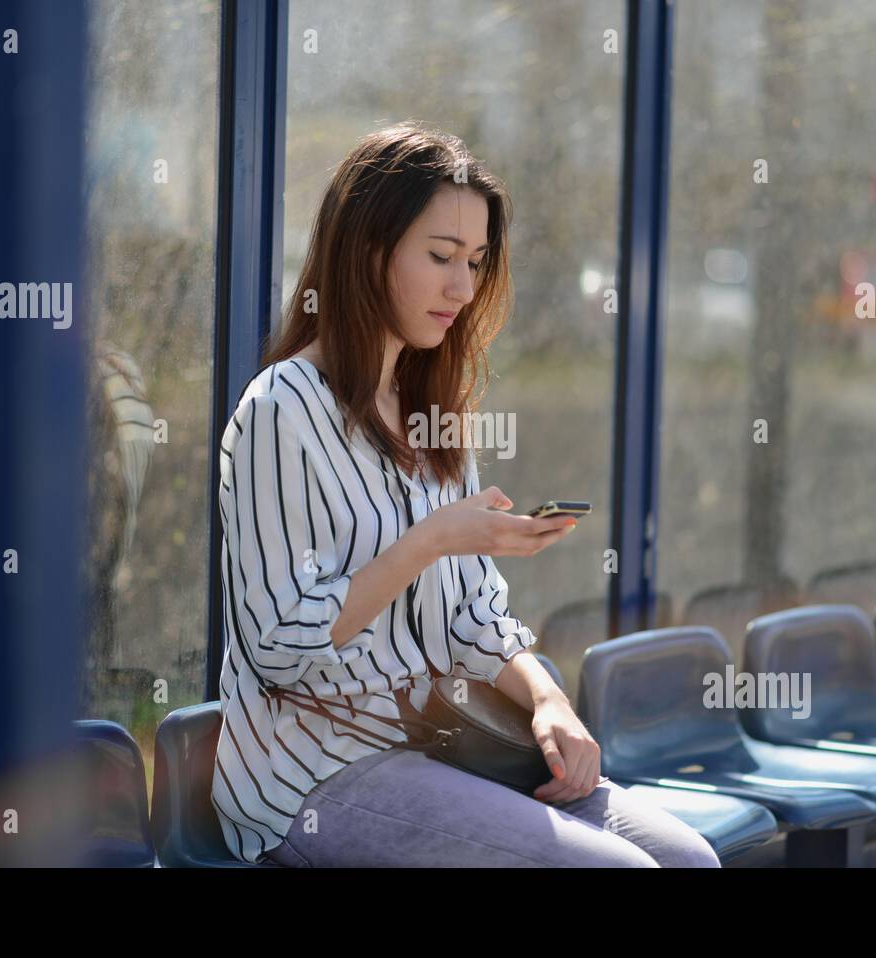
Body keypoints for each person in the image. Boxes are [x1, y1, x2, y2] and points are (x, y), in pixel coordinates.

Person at [212, 121, 720, 868]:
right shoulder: (279, 410)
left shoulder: (430, 409)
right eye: (441, 256)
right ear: (366, 249)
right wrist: (433, 540)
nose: (462, 286)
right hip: (315, 773)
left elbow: (473, 618)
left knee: (687, 859)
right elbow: (281, 647)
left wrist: (549, 701)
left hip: (441, 741)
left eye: (476, 262)